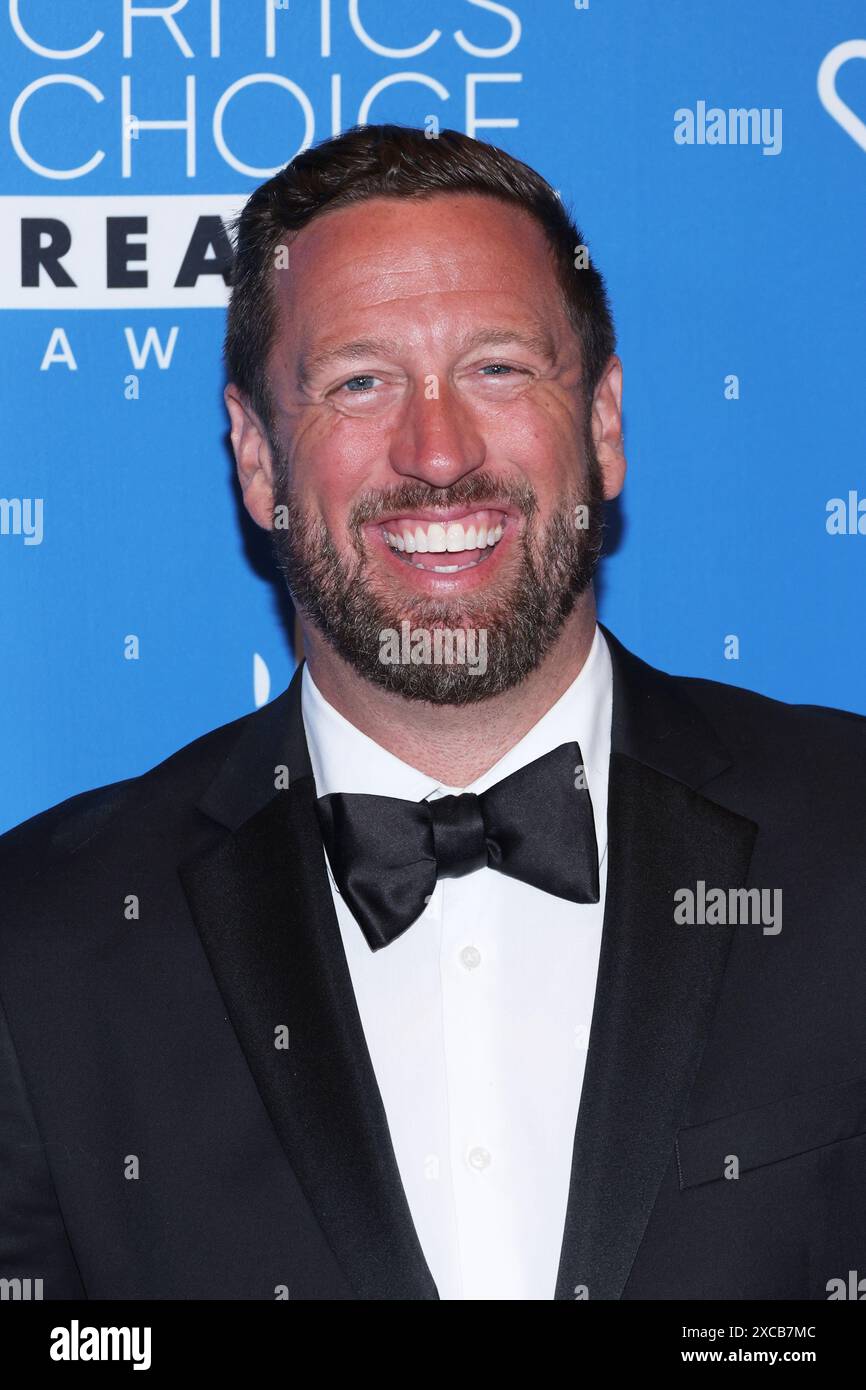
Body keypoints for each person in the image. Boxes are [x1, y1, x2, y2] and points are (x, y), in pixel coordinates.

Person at [1, 124, 865, 1302]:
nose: (439, 452)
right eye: (359, 381)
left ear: (602, 422)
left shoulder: (846, 837)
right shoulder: (44, 940)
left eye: (498, 367)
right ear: (257, 460)